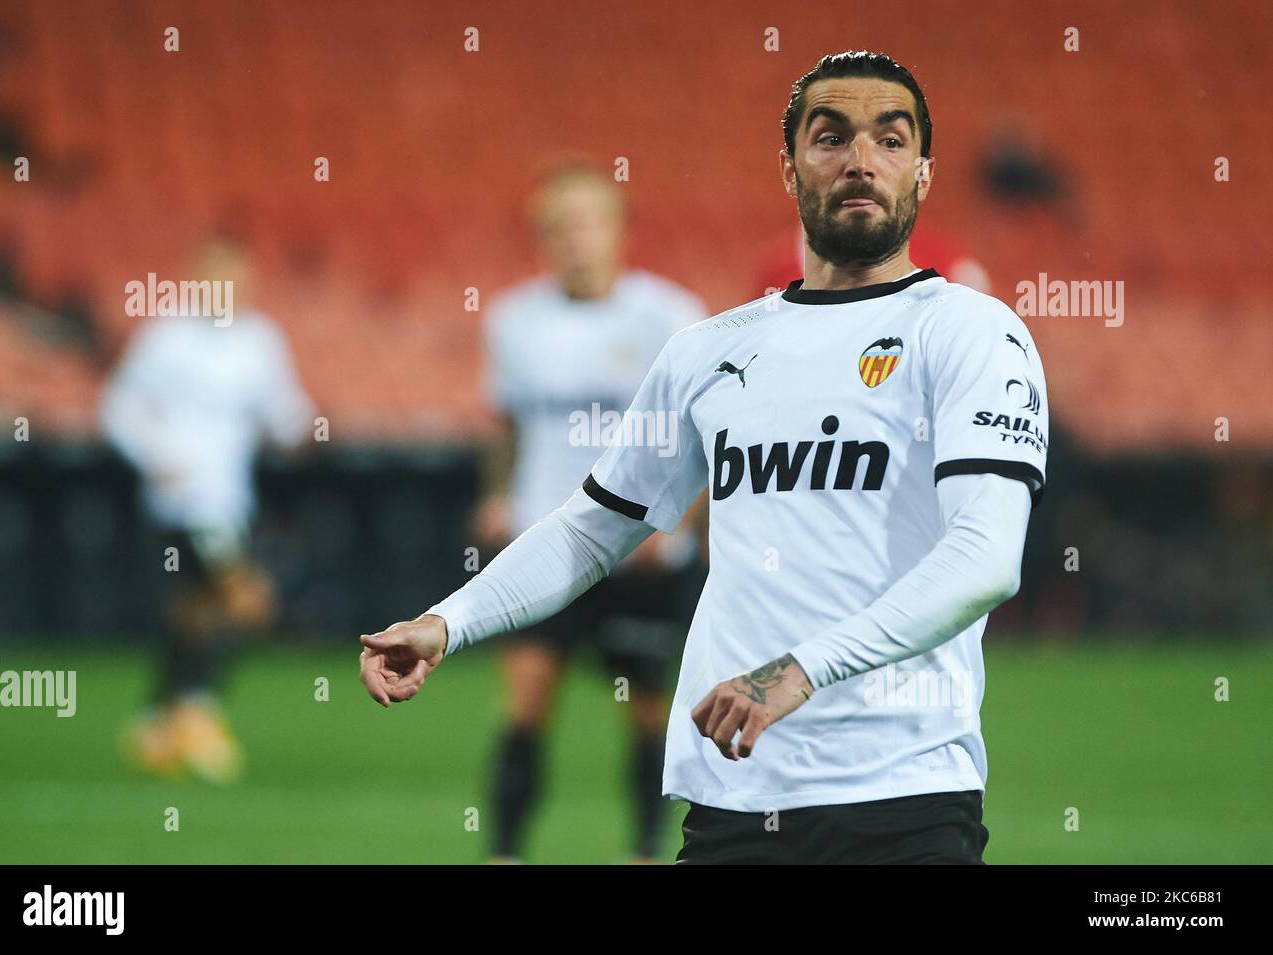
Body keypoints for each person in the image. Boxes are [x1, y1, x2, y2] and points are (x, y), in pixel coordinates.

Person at [360, 50, 1049, 864]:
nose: (862, 160)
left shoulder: (971, 331)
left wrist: (802, 669)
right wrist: (449, 620)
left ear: (924, 173)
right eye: (831, 137)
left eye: (891, 140)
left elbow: (985, 558)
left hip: (903, 794)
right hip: (734, 798)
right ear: (789, 168)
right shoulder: (708, 352)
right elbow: (590, 529)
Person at [473, 163, 707, 862]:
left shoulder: (670, 315)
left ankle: (646, 849)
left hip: (637, 546)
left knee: (647, 712)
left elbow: (702, 435)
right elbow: (506, 425)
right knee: (525, 699)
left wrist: (680, 522)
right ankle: (505, 850)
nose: (572, 239)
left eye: (586, 222)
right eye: (557, 226)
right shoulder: (514, 321)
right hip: (544, 539)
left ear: (619, 230)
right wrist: (497, 496)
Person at [101, 236, 314, 783]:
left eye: (238, 277)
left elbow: (282, 410)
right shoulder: (166, 337)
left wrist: (303, 429)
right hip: (181, 499)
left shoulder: (260, 340)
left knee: (195, 612)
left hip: (229, 498)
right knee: (248, 601)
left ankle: (155, 722)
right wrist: (154, 454)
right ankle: (198, 711)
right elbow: (120, 407)